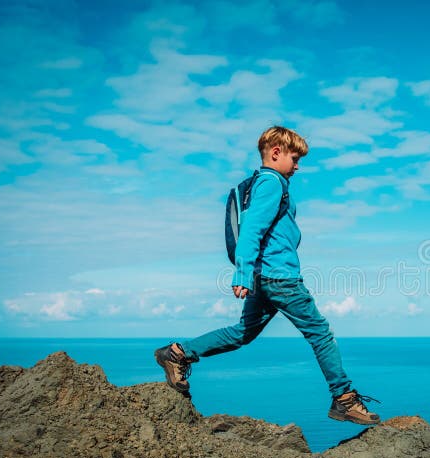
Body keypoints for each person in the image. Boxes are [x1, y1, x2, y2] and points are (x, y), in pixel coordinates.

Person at [155, 126, 380, 425]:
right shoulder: (272, 182)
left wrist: (250, 273)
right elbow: (252, 229)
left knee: (242, 333)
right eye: (295, 158)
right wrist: (243, 273)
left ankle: (177, 354)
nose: (298, 166)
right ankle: (344, 398)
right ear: (276, 153)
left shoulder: (262, 184)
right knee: (320, 333)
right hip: (279, 276)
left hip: (266, 275)